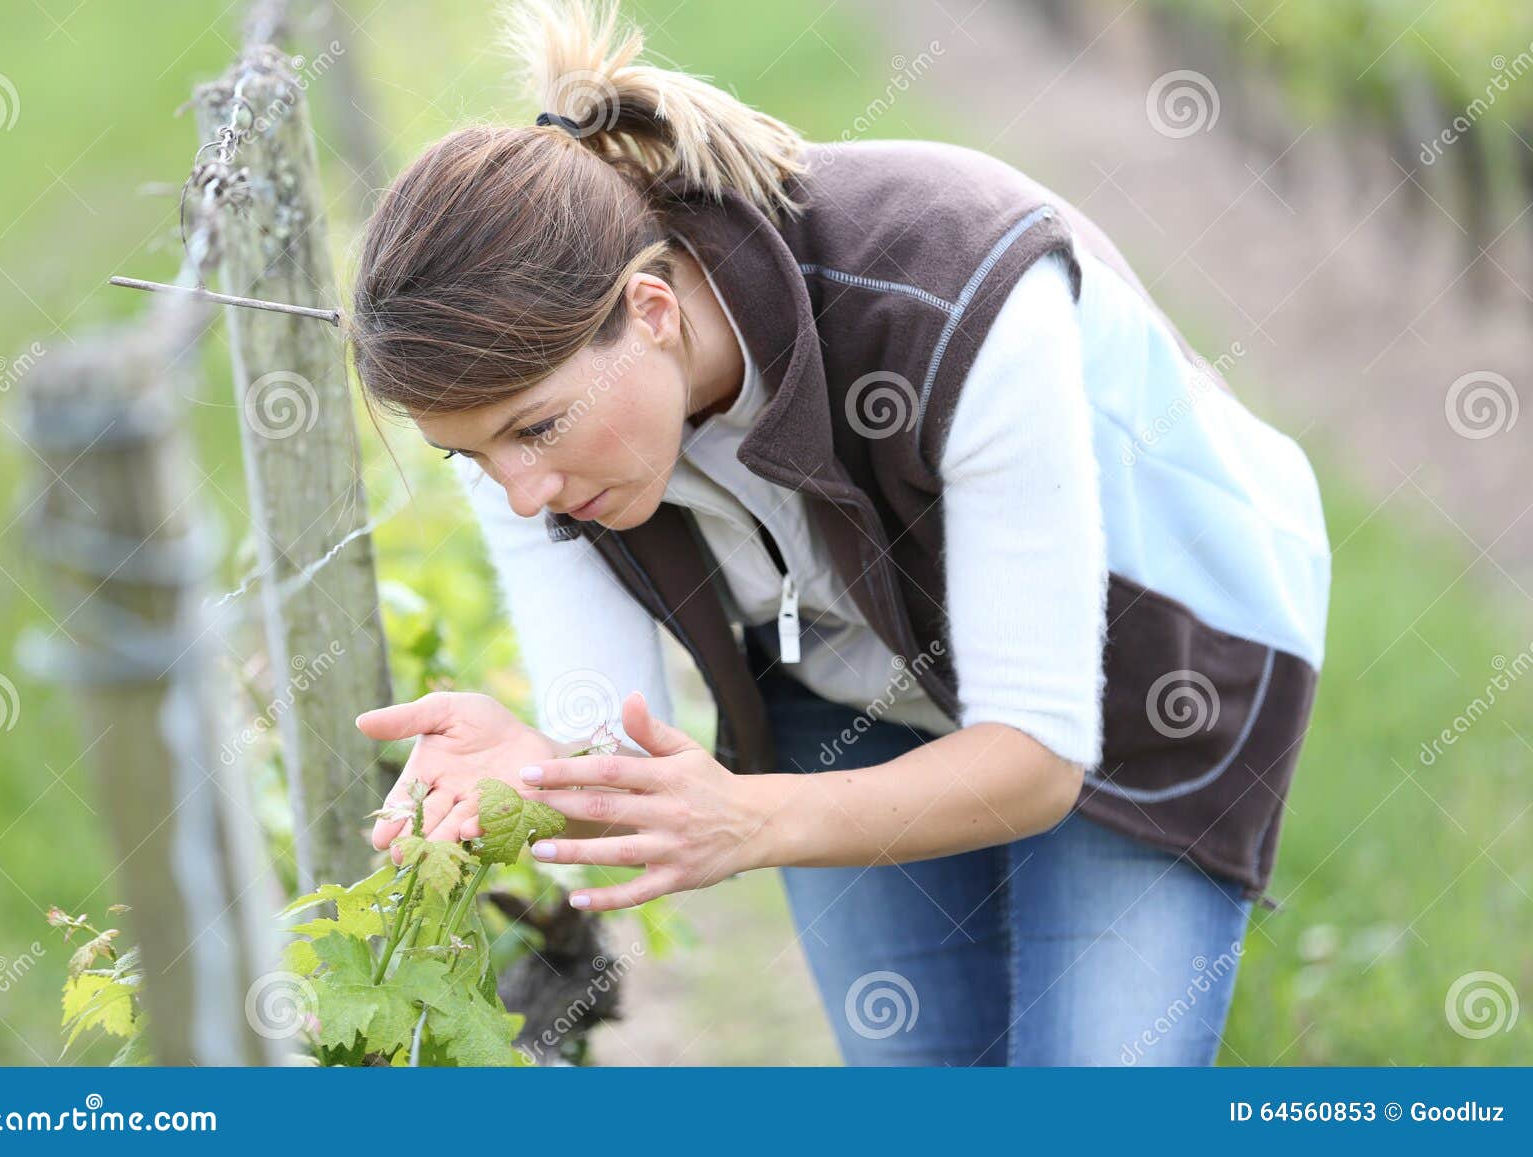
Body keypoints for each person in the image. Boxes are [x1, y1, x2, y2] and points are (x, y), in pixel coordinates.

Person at [348, 0, 1330, 1066]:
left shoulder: (949, 291)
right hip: (851, 667)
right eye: (472, 456)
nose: (521, 493)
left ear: (653, 310)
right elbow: (619, 747)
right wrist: (539, 776)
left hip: (1144, 665)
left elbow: (1035, 756)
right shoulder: (522, 413)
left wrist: (753, 819)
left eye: (533, 431)